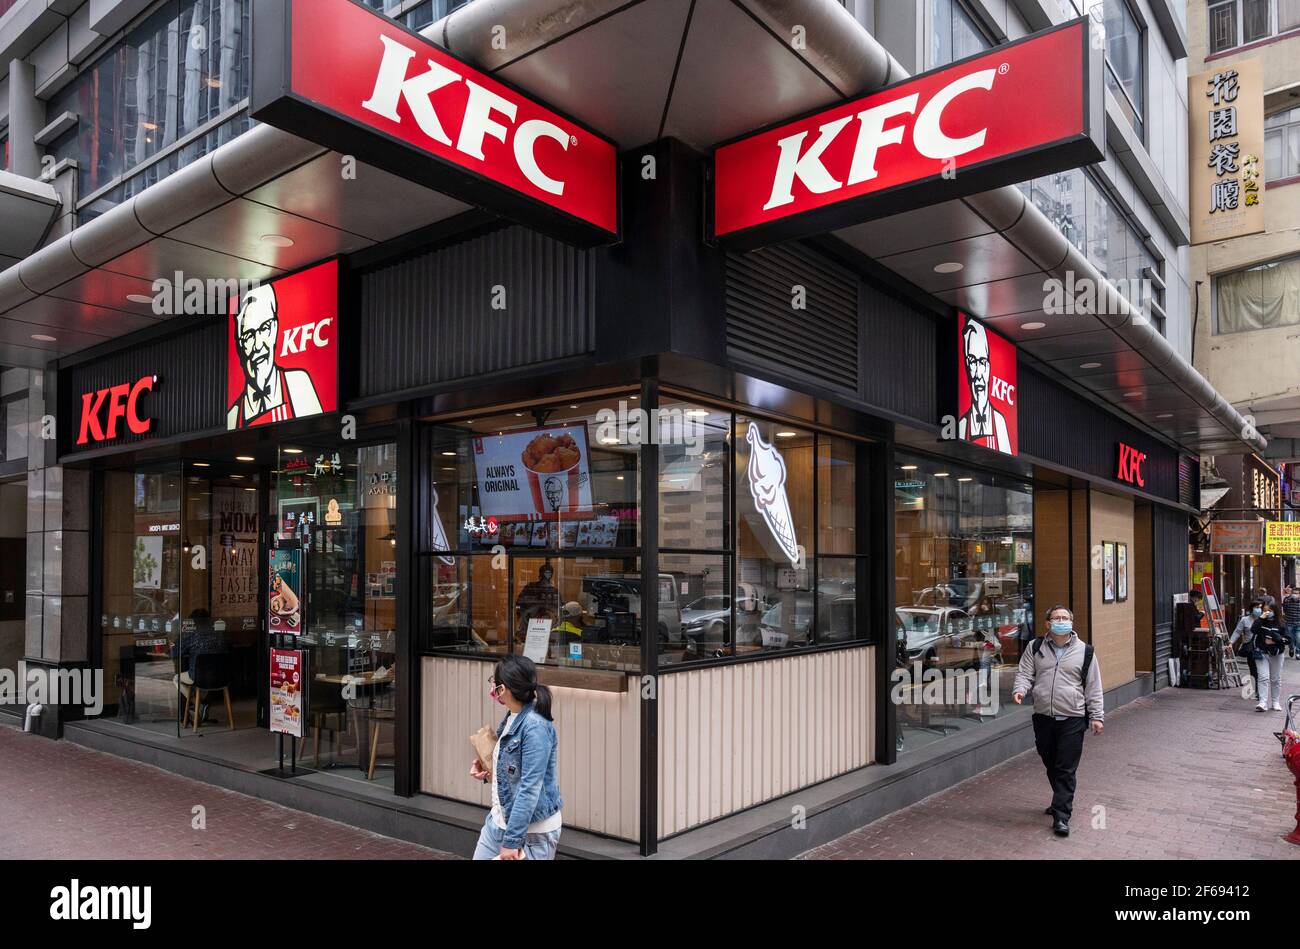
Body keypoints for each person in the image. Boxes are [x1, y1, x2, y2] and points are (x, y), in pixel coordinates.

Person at [1012, 605, 1104, 838]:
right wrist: (1020, 690)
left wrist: (1096, 716)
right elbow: (1025, 673)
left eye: (1065, 618)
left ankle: (1062, 816)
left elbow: (1093, 686)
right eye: (1056, 617)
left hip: (1072, 717)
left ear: (1072, 623)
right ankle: (1059, 798)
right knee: (1049, 760)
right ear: (1047, 623)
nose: (1061, 620)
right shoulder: (1036, 647)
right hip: (1043, 716)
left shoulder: (1086, 652)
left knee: (1065, 768)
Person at [469, 655, 563, 860]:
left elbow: (529, 788)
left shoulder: (535, 726)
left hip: (531, 834)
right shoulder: (513, 717)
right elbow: (514, 774)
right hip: (498, 823)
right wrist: (488, 772)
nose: (492, 689)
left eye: (494, 683)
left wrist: (512, 842)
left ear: (504, 689)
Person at [227, 283, 322, 429]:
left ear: (275, 329)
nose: (258, 345)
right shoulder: (233, 416)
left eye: (264, 328)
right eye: (248, 335)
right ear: (240, 345)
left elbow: (320, 431)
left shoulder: (298, 384)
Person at [957, 318, 1012, 454]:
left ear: (989, 367)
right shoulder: (962, 424)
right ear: (966, 365)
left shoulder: (1000, 423)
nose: (978, 374)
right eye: (972, 361)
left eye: (982, 362)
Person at [1252, 602, 1287, 713]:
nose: (1267, 613)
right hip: (1261, 653)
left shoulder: (1281, 624)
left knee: (1275, 679)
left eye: (1269, 611)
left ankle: (1275, 702)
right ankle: (1263, 702)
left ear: (1275, 611)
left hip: (1276, 654)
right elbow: (1253, 630)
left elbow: (1288, 639)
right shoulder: (1261, 622)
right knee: (1263, 677)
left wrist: (1276, 639)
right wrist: (1260, 618)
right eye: (1265, 610)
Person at [514, 562, 560, 642]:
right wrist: (523, 617)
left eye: (549, 573)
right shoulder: (530, 587)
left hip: (549, 625)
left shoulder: (554, 591)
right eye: (546, 572)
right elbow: (519, 604)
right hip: (530, 624)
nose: (547, 575)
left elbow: (558, 609)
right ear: (541, 573)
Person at [1229, 600, 1262, 699]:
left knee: (1262, 671)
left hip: (1261, 648)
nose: (1258, 609)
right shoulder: (1245, 620)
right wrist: (1231, 643)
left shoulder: (1263, 619)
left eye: (1260, 607)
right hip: (1250, 649)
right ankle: (1256, 691)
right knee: (1254, 670)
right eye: (1256, 607)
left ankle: (1260, 691)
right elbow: (1237, 632)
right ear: (1251, 609)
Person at [1281, 586, 1300, 660]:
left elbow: (1285, 610)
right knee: (1290, 638)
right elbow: (1284, 610)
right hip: (1289, 622)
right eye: (1295, 593)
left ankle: (1298, 653)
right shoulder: (1286, 600)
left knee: (1298, 638)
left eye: (1297, 593)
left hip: (1298, 622)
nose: (1296, 595)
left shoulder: (1286, 599)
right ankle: (1291, 648)